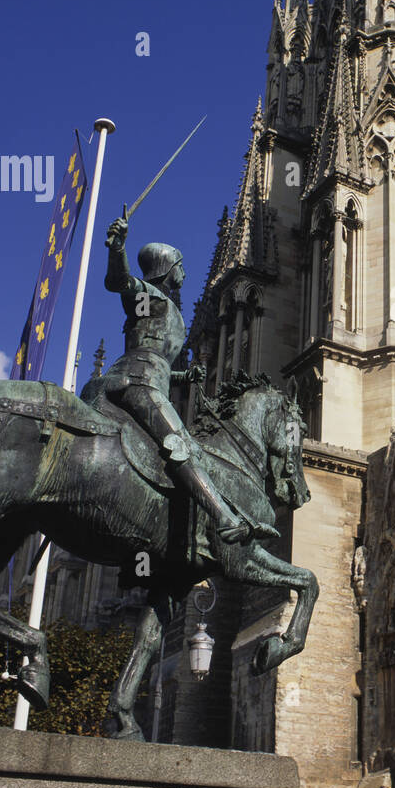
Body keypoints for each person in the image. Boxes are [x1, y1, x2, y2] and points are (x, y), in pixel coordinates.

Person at [103, 213, 274, 544]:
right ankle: (224, 518)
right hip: (137, 382)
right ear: (167, 268)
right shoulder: (148, 298)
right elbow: (119, 282)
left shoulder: (167, 308)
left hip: (146, 379)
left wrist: (184, 374)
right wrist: (118, 248)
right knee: (182, 445)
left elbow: (159, 362)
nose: (185, 271)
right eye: (180, 265)